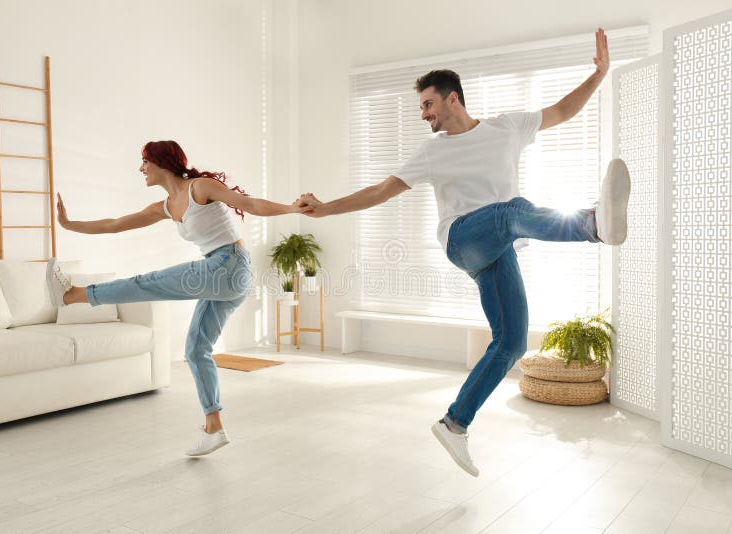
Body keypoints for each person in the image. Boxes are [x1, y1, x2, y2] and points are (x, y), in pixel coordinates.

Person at [296, 28, 629, 476]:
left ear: (453, 98)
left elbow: (563, 110)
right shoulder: (432, 153)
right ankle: (592, 225)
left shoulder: (507, 128)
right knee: (511, 211)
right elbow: (379, 191)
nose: (423, 115)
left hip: (498, 248)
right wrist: (325, 209)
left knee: (511, 342)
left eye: (427, 104)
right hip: (462, 239)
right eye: (421, 108)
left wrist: (600, 74)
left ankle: (455, 423)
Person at [47, 140, 301, 457]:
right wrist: (69, 224)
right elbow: (116, 225)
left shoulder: (200, 187)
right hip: (223, 275)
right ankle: (214, 427)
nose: (141, 168)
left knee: (146, 283)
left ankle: (73, 295)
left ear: (162, 162)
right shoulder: (165, 206)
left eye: (145, 161)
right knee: (196, 349)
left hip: (229, 264)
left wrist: (291, 209)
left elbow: (249, 204)